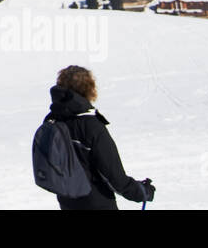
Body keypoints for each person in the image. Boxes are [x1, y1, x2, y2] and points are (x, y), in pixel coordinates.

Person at [46, 65, 155, 210]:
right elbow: (115, 178)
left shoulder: (52, 123)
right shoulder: (91, 126)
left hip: (67, 204)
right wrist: (141, 191)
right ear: (88, 89)